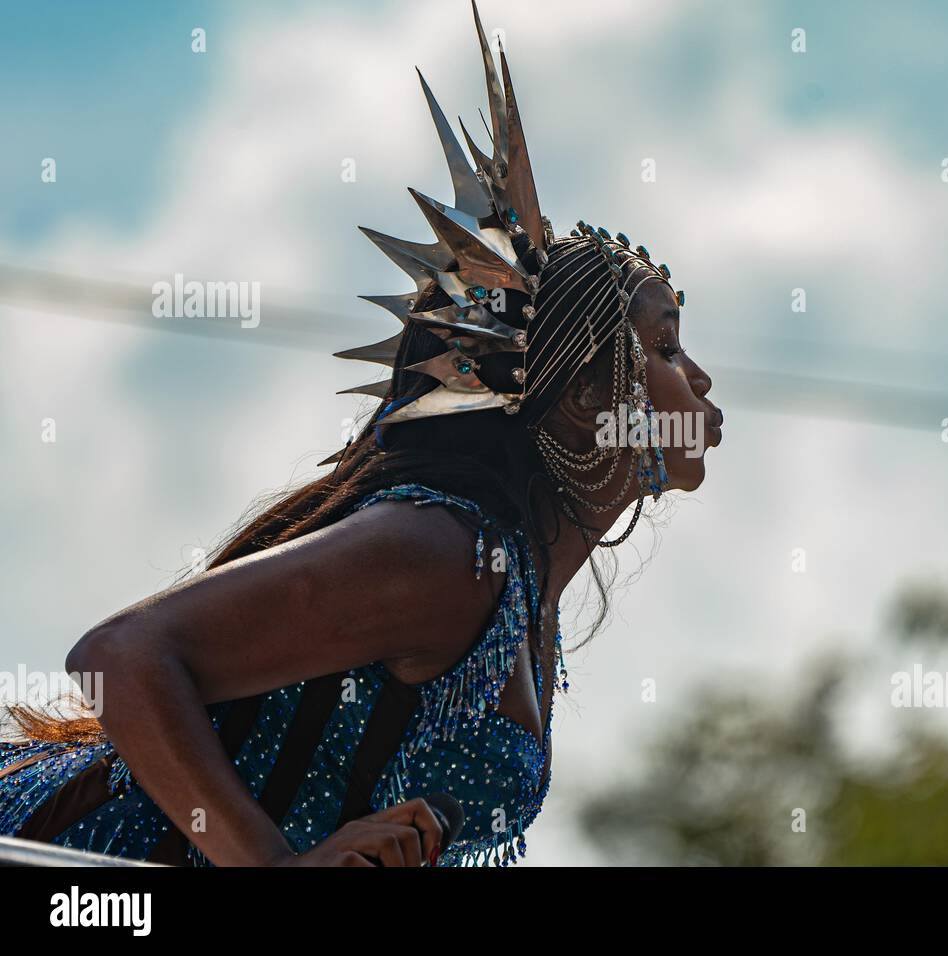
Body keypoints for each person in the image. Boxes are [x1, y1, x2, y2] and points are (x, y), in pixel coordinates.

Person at [0, 1, 722, 867]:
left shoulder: (518, 587)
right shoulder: (445, 550)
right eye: (668, 347)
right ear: (577, 400)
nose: (703, 381)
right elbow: (119, 658)